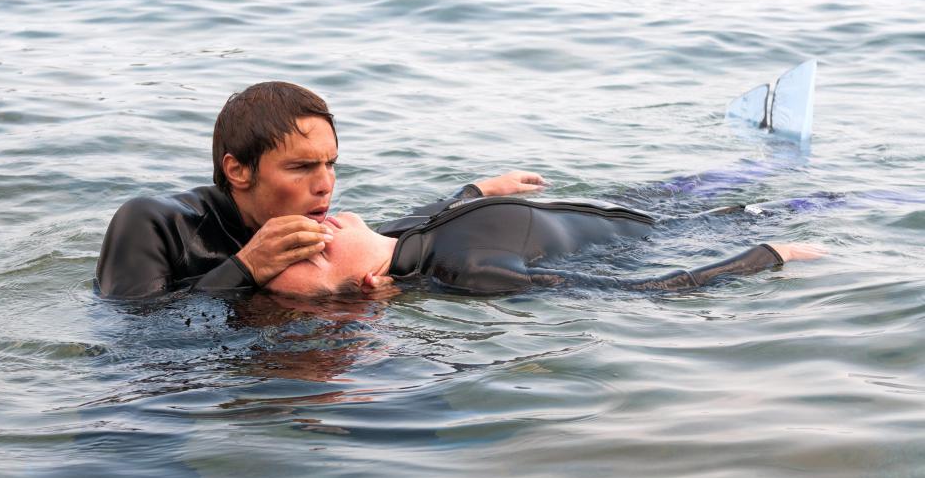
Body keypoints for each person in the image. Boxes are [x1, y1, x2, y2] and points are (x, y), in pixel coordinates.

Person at [94, 81, 546, 299]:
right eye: (301, 167)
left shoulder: (292, 218)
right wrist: (246, 267)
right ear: (237, 170)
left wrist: (473, 192)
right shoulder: (152, 222)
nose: (325, 182)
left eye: (331, 163)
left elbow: (386, 237)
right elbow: (137, 338)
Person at [265, 196, 825, 297]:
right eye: (313, 254)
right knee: (824, 201)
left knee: (713, 183)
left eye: (297, 236)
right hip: (664, 234)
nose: (317, 233)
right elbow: (640, 291)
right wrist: (765, 256)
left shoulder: (396, 232)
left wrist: (483, 189)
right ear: (371, 282)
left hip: (618, 203)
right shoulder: (467, 272)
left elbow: (444, 203)